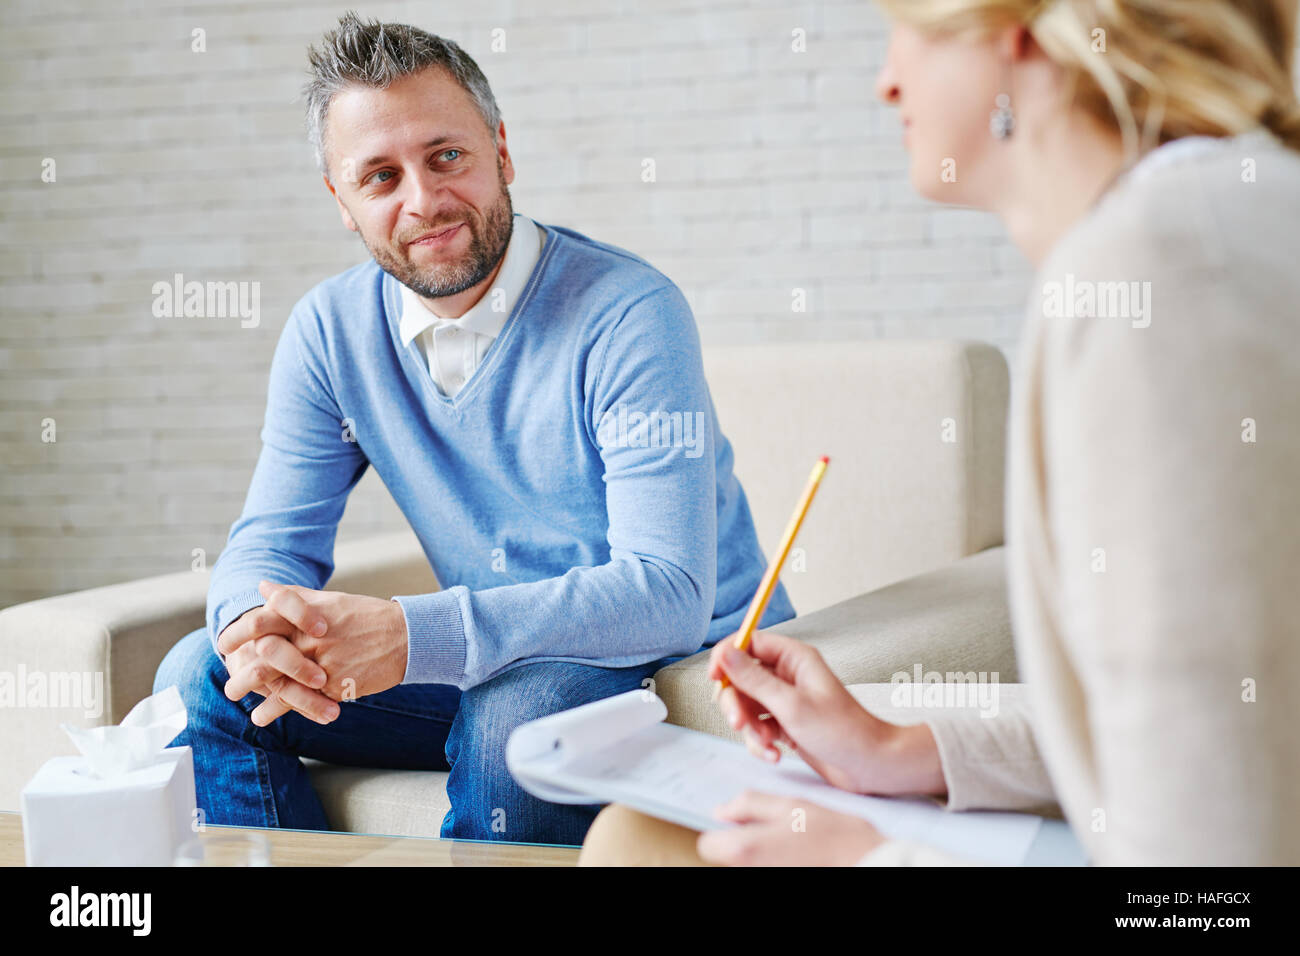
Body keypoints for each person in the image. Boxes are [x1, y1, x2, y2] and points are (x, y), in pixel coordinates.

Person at [579, 0, 1300, 866]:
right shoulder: (1218, 219)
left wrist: (873, 859)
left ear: (1018, 34)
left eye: (908, 31)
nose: (886, 80)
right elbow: (1204, 724)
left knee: (642, 846)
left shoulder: (1154, 270)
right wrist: (896, 751)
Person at [152, 12, 793, 846]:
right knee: (201, 678)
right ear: (341, 202)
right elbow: (269, 540)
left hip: (671, 654)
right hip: (498, 652)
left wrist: (413, 635)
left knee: (516, 723)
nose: (424, 201)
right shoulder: (329, 331)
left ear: (501, 151)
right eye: (379, 177)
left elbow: (667, 592)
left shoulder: (631, 313)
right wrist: (254, 627)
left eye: (446, 156)